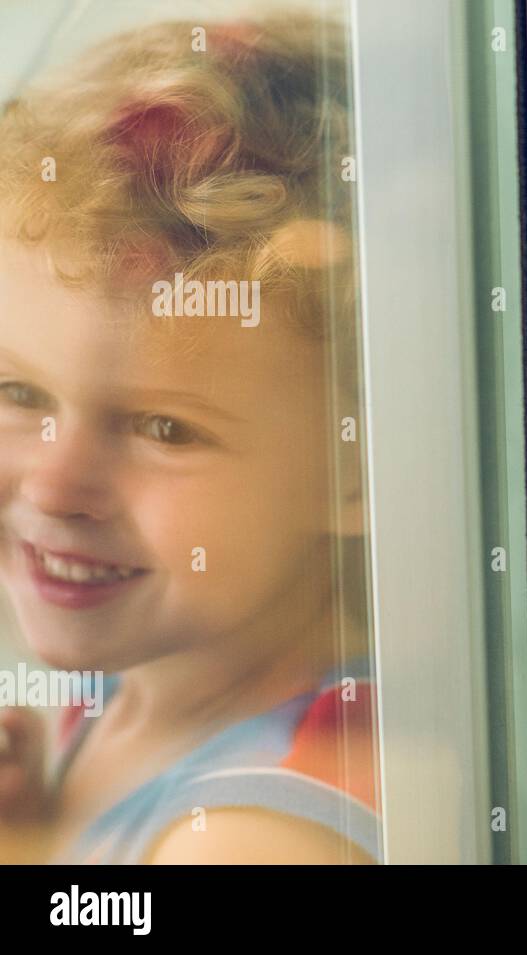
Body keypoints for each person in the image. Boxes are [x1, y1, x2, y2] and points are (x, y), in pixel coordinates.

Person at [0, 10, 378, 863]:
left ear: (358, 467)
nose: (57, 485)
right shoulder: (133, 676)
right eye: (20, 390)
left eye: (165, 427)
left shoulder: (261, 836)